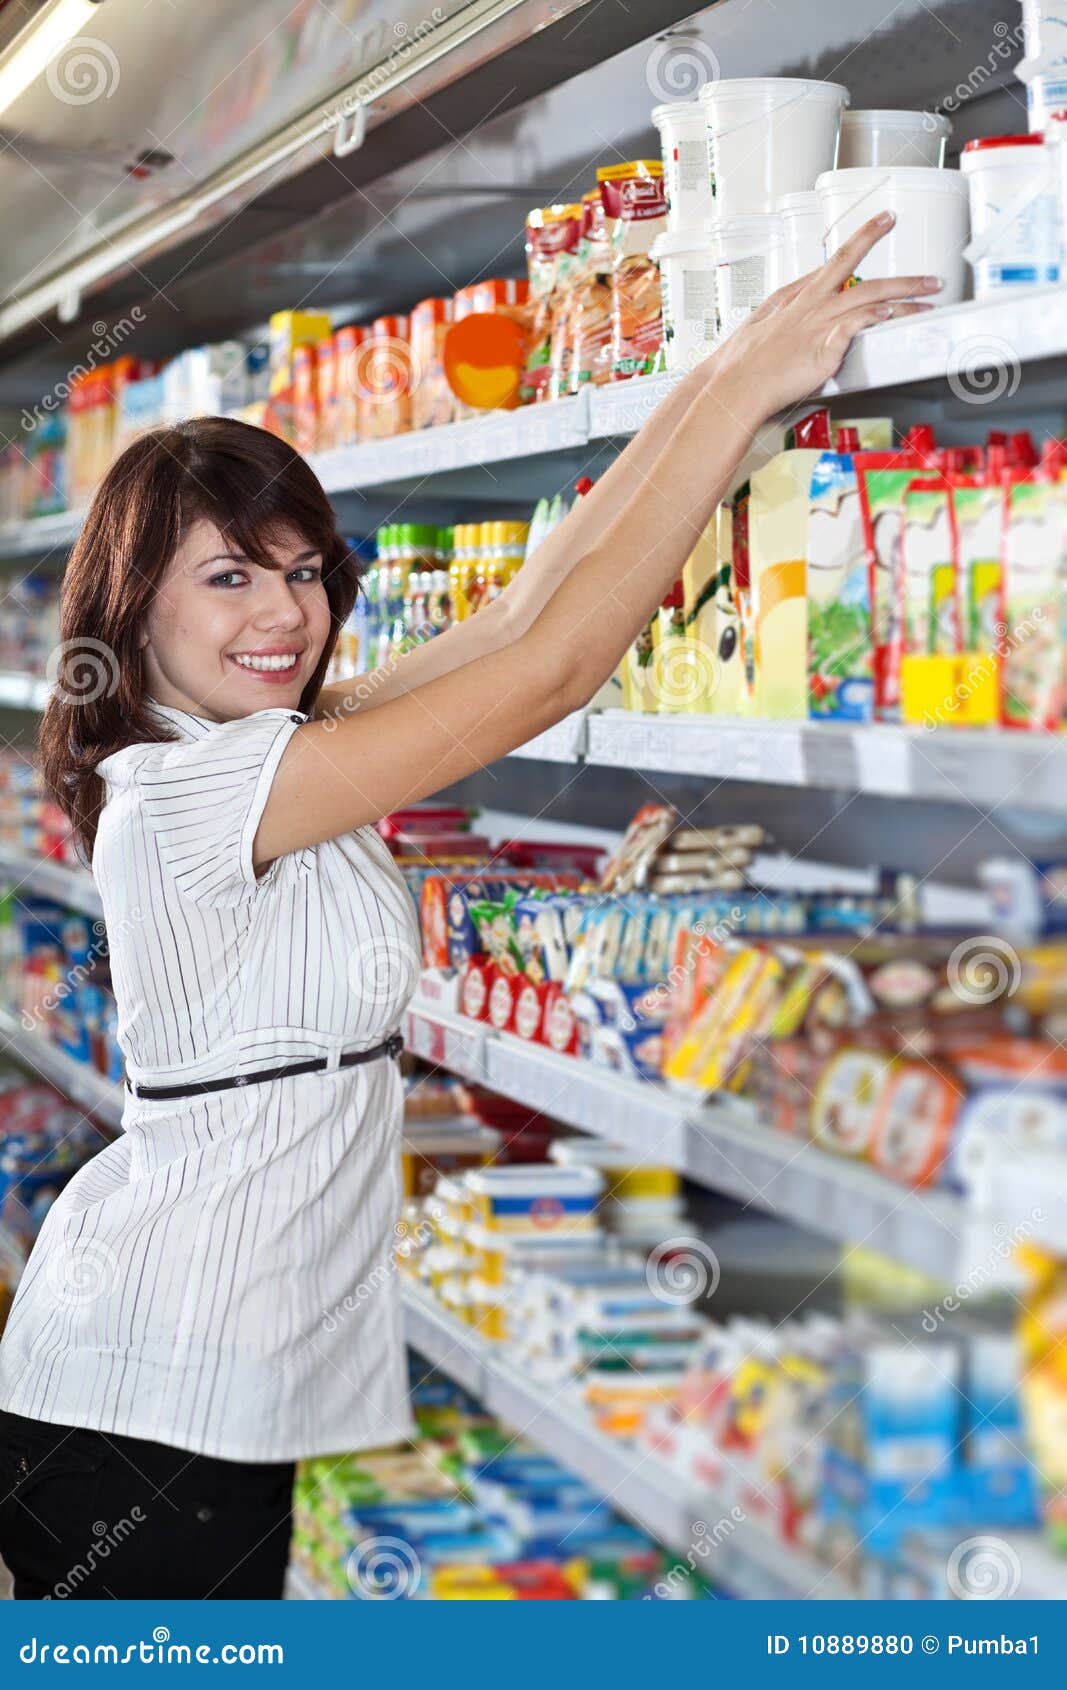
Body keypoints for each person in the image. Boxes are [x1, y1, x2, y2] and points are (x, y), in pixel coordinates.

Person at [0, 216, 937, 1599]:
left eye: (306, 568)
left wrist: (718, 371)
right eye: (231, 575)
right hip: (157, 1388)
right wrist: (742, 389)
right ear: (132, 605)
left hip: (215, 1368)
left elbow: (516, 616)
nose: (286, 612)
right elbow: (557, 671)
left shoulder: (262, 745)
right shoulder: (199, 790)